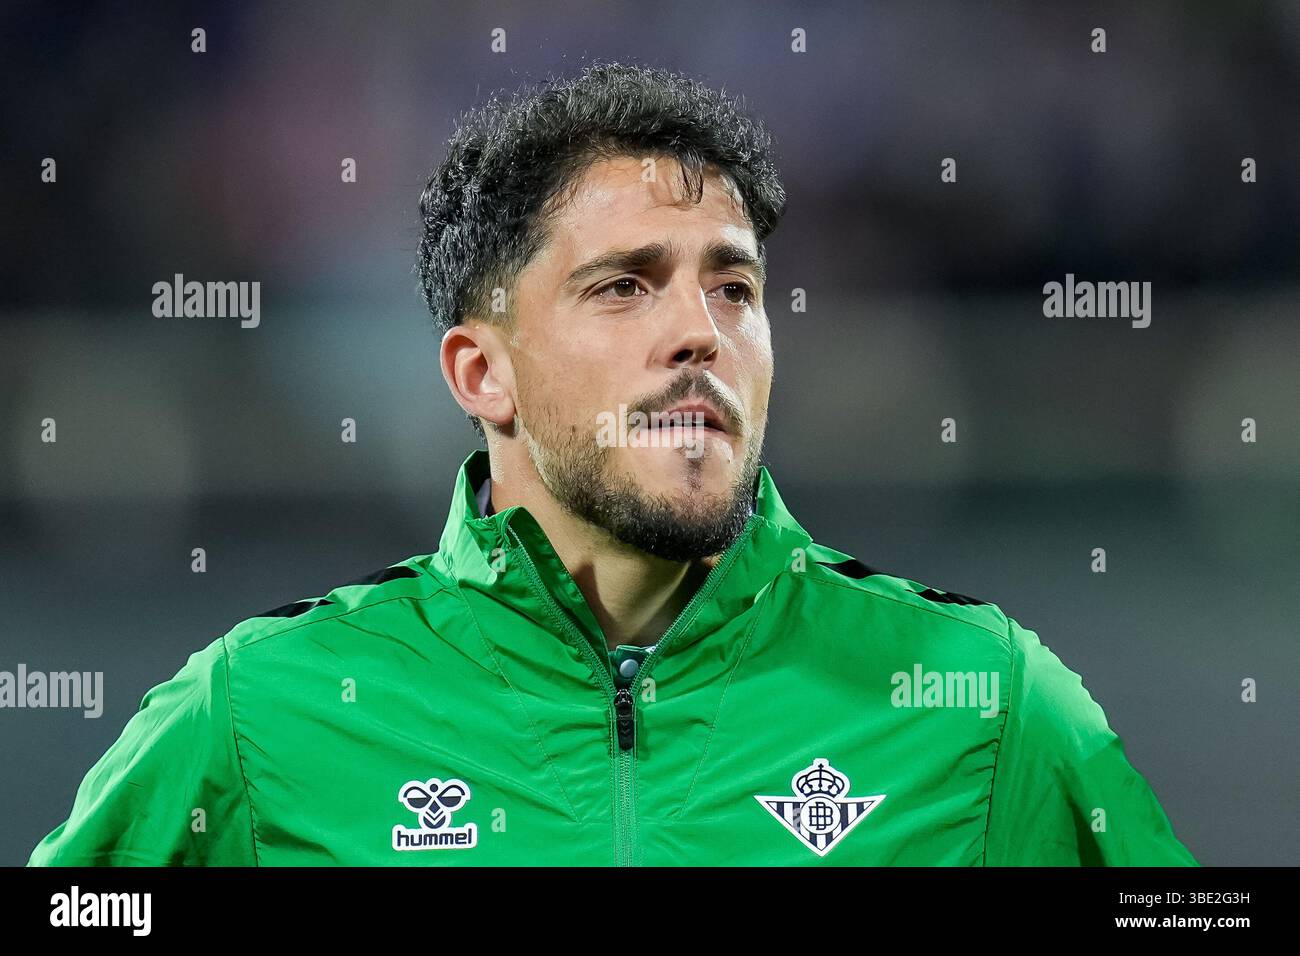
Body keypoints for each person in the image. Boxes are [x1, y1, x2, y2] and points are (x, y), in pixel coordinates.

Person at [29, 62, 1196, 866]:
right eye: (624, 284)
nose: (700, 330)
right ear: (482, 373)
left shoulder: (981, 700)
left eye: (732, 287)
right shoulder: (259, 711)